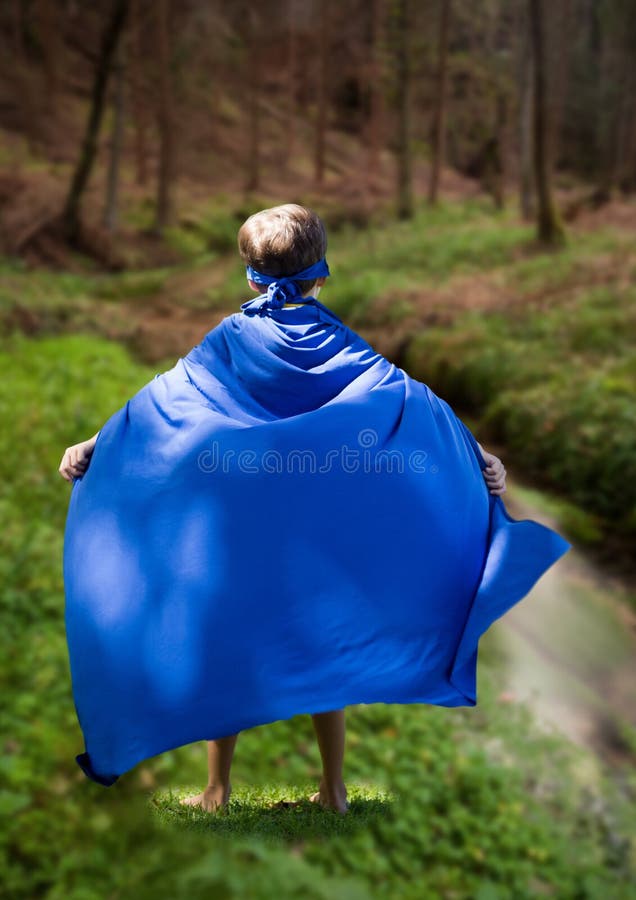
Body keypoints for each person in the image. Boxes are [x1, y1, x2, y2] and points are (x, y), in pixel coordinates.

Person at [59, 204, 567, 814]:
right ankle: (334, 789)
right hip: (316, 539)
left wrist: (93, 446)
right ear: (322, 277)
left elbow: (158, 404)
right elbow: (414, 404)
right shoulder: (340, 344)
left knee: (233, 644)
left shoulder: (230, 341)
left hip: (243, 531)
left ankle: (218, 792)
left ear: (250, 278)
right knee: (326, 646)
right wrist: (478, 457)